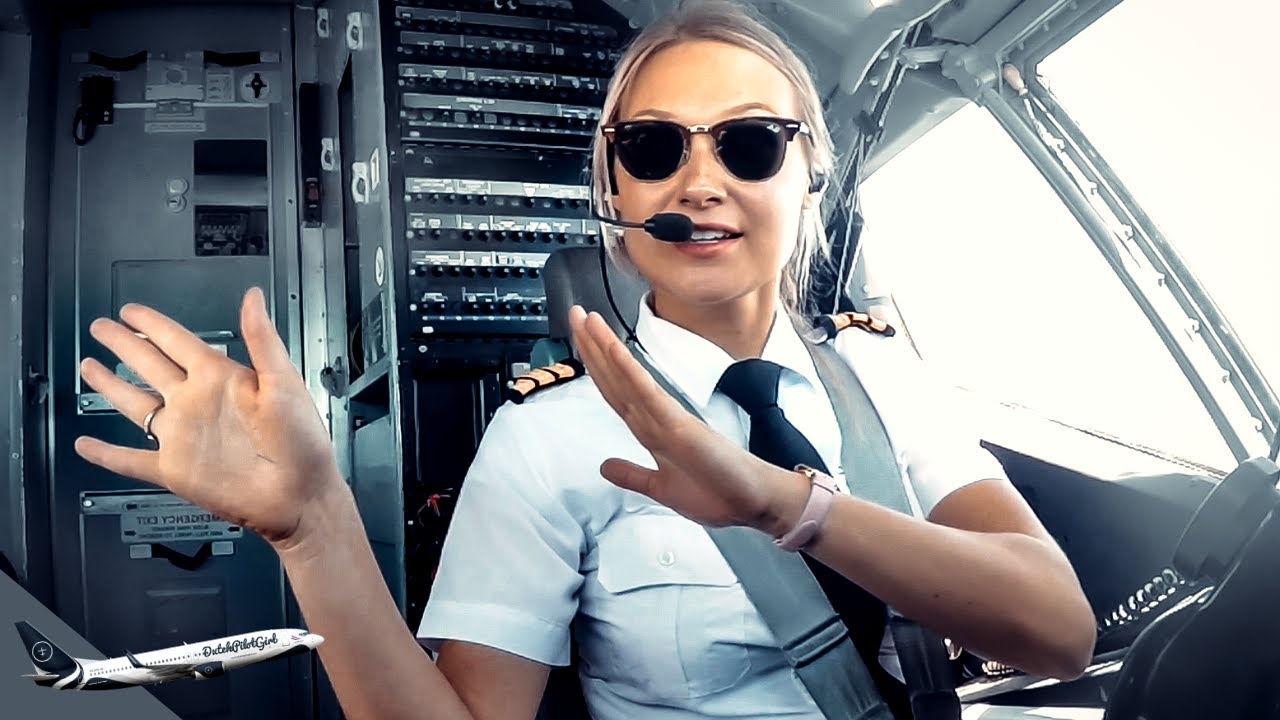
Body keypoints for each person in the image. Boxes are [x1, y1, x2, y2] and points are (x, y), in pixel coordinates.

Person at [74, 1, 1096, 719]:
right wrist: (314, 530)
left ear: (809, 174)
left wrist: (784, 505)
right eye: (652, 148)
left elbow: (1057, 633)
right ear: (611, 187)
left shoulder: (886, 381)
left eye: (748, 144)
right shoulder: (545, 437)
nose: (697, 182)